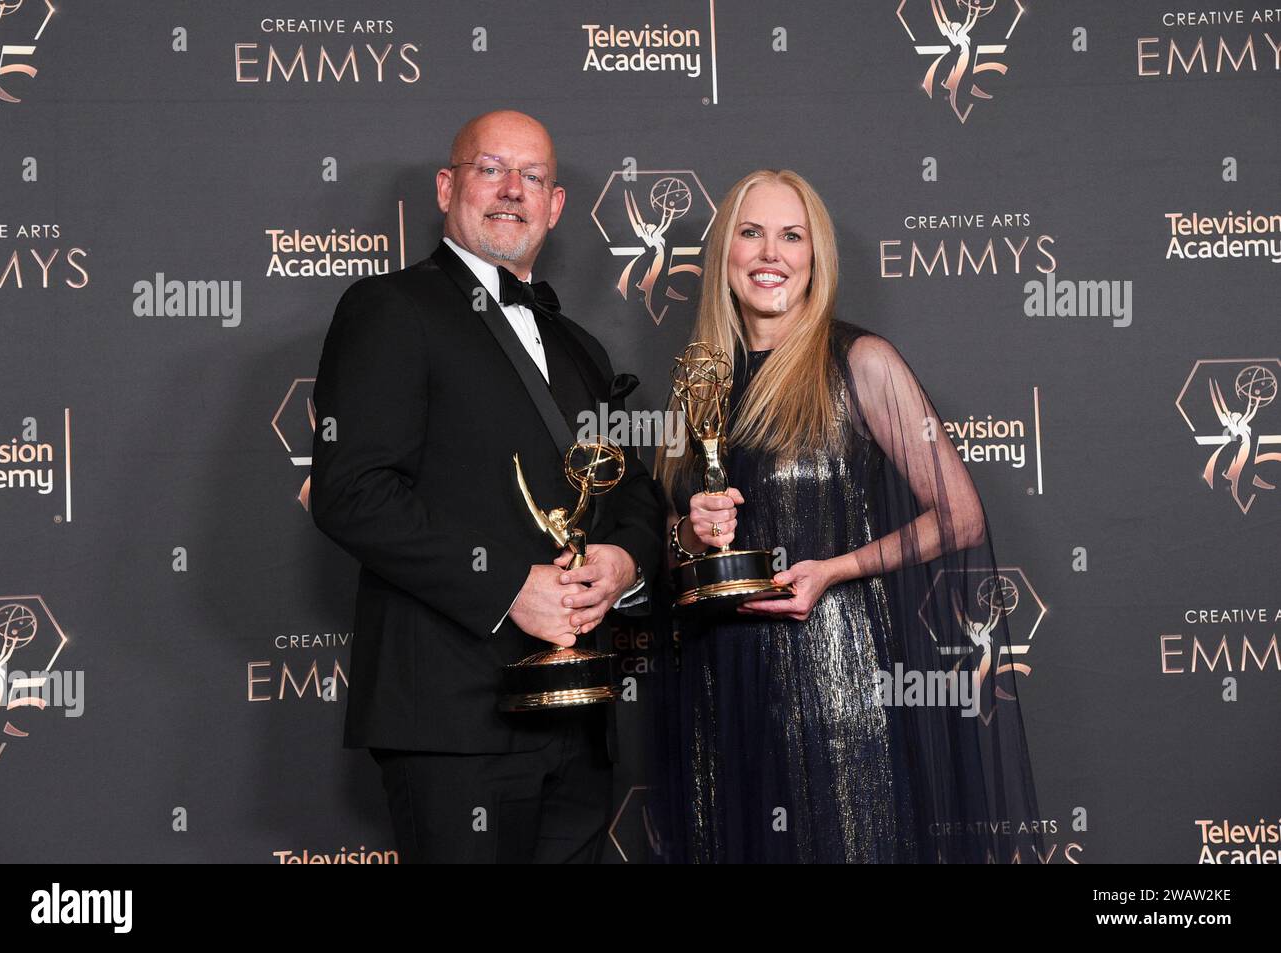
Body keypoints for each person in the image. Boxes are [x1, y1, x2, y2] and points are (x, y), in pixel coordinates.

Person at [653, 169, 1040, 863]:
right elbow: (672, 552)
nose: (770, 253)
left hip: (835, 678)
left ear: (815, 256)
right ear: (725, 254)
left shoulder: (861, 361)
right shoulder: (699, 381)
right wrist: (689, 531)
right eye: (751, 233)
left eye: (791, 236)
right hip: (722, 685)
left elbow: (961, 516)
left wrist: (835, 569)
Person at [310, 110, 664, 863]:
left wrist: (624, 563)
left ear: (556, 205)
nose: (512, 191)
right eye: (490, 168)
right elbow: (352, 490)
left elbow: (630, 491)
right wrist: (510, 586)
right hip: (451, 719)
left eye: (532, 176)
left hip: (577, 717)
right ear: (447, 186)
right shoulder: (389, 308)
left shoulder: (582, 346)